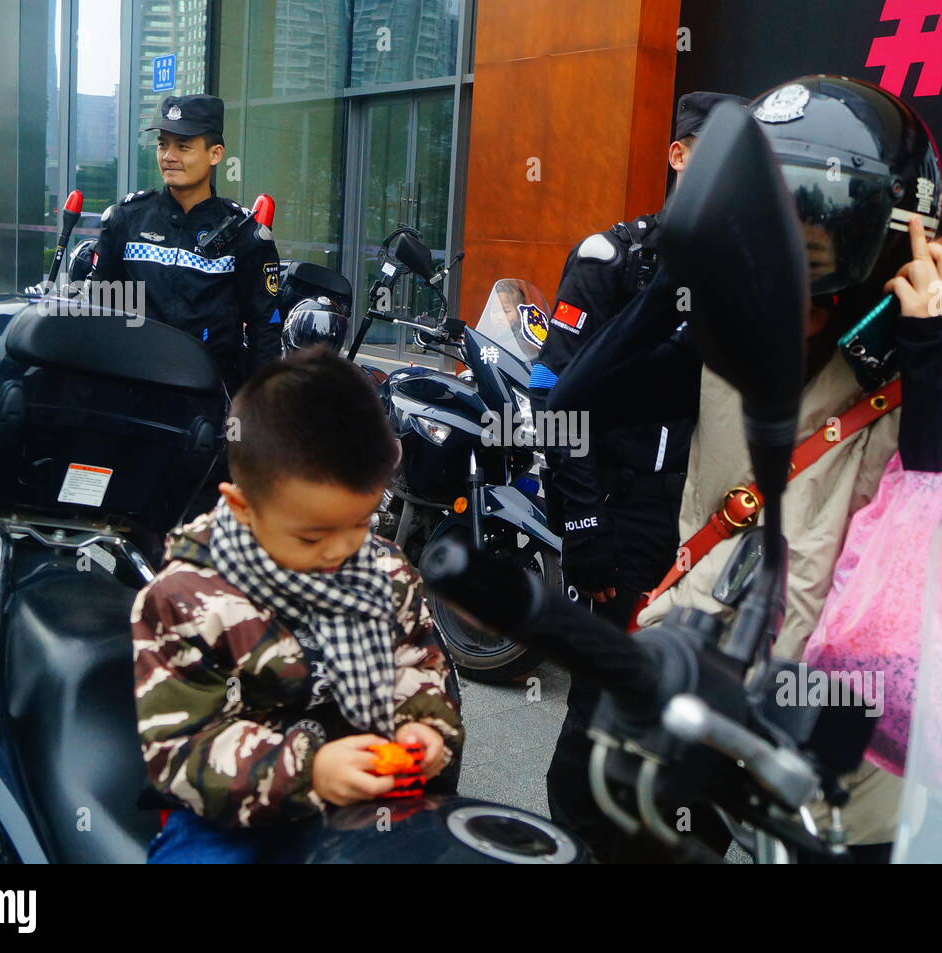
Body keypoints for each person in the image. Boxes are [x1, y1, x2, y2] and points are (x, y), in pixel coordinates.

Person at [549, 76, 942, 862]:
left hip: (826, 725)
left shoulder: (921, 380)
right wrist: (672, 279)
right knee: (605, 813)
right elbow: (578, 399)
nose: (791, 282)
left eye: (817, 251)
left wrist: (929, 342)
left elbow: (940, 495)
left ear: (891, 249)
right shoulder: (723, 350)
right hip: (701, 682)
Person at [132, 346, 463, 863]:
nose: (340, 551)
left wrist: (422, 726)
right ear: (243, 508)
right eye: (312, 536)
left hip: (368, 784)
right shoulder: (185, 601)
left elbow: (417, 662)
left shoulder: (384, 573)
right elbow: (184, 749)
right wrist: (310, 770)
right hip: (233, 810)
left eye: (360, 524)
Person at [535, 91, 748, 862]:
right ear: (679, 154)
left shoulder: (755, 280)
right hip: (618, 521)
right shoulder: (612, 259)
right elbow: (555, 398)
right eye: (718, 152)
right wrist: (584, 525)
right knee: (602, 706)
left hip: (714, 530)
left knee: (700, 712)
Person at [89, 94, 282, 394]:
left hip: (208, 399)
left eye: (183, 146)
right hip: (130, 392)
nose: (169, 156)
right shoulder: (126, 219)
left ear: (215, 154)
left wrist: (260, 410)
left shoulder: (245, 235)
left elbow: (264, 329)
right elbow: (98, 310)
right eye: (163, 144)